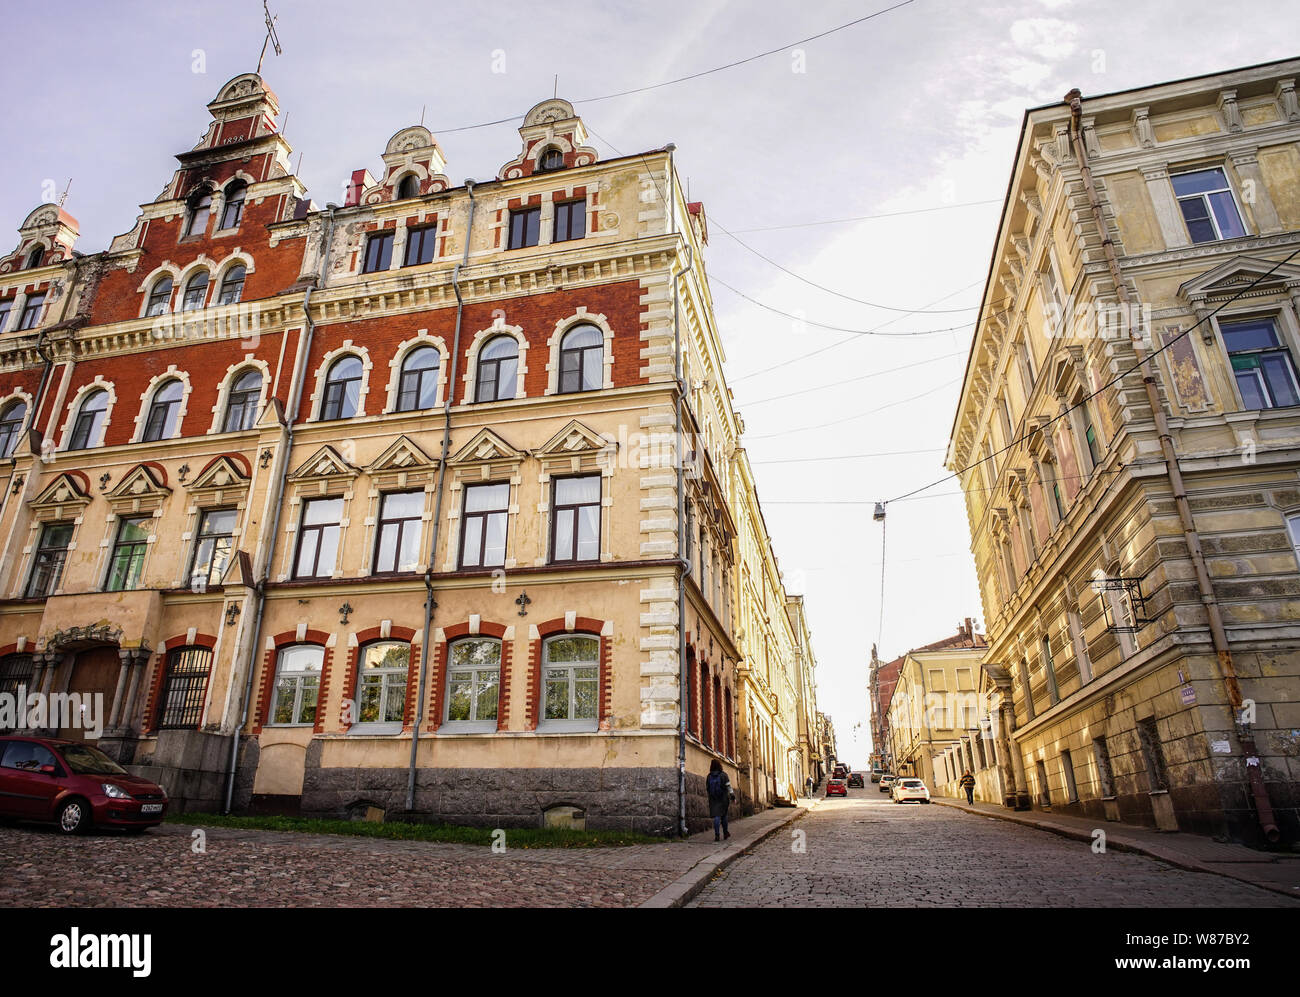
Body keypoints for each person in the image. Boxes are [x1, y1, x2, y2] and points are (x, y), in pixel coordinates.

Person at [706, 759, 732, 841]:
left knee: (716, 816)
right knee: (724, 816)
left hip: (713, 799)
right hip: (723, 798)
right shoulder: (724, 775)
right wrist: (732, 795)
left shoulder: (709, 776)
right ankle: (725, 833)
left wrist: (712, 795)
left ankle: (717, 835)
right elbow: (728, 786)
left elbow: (707, 788)